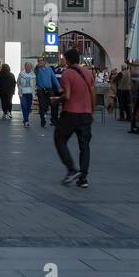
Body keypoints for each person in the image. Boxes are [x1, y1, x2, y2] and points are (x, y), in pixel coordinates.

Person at [53, 48, 95, 188]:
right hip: (86, 114)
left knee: (60, 139)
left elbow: (68, 95)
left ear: (68, 60)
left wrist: (56, 100)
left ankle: (72, 169)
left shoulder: (67, 73)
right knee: (84, 146)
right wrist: (91, 111)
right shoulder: (88, 73)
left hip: (71, 113)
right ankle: (83, 178)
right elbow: (93, 94)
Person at [34, 58, 60, 127]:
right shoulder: (37, 69)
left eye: (41, 60)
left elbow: (54, 78)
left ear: (45, 62)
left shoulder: (49, 69)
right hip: (41, 90)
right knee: (42, 106)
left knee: (53, 104)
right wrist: (38, 66)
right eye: (39, 61)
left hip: (49, 89)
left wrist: (59, 87)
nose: (40, 62)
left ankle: (54, 120)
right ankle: (43, 120)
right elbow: (36, 68)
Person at [17, 61, 36, 127]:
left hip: (30, 93)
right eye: (27, 66)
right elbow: (18, 82)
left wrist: (34, 92)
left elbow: (34, 85)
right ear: (25, 67)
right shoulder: (21, 74)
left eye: (29, 66)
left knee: (28, 107)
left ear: (31, 67)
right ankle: (26, 121)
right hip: (23, 93)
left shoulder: (33, 75)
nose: (28, 67)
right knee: (24, 106)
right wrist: (20, 89)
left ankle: (25, 119)